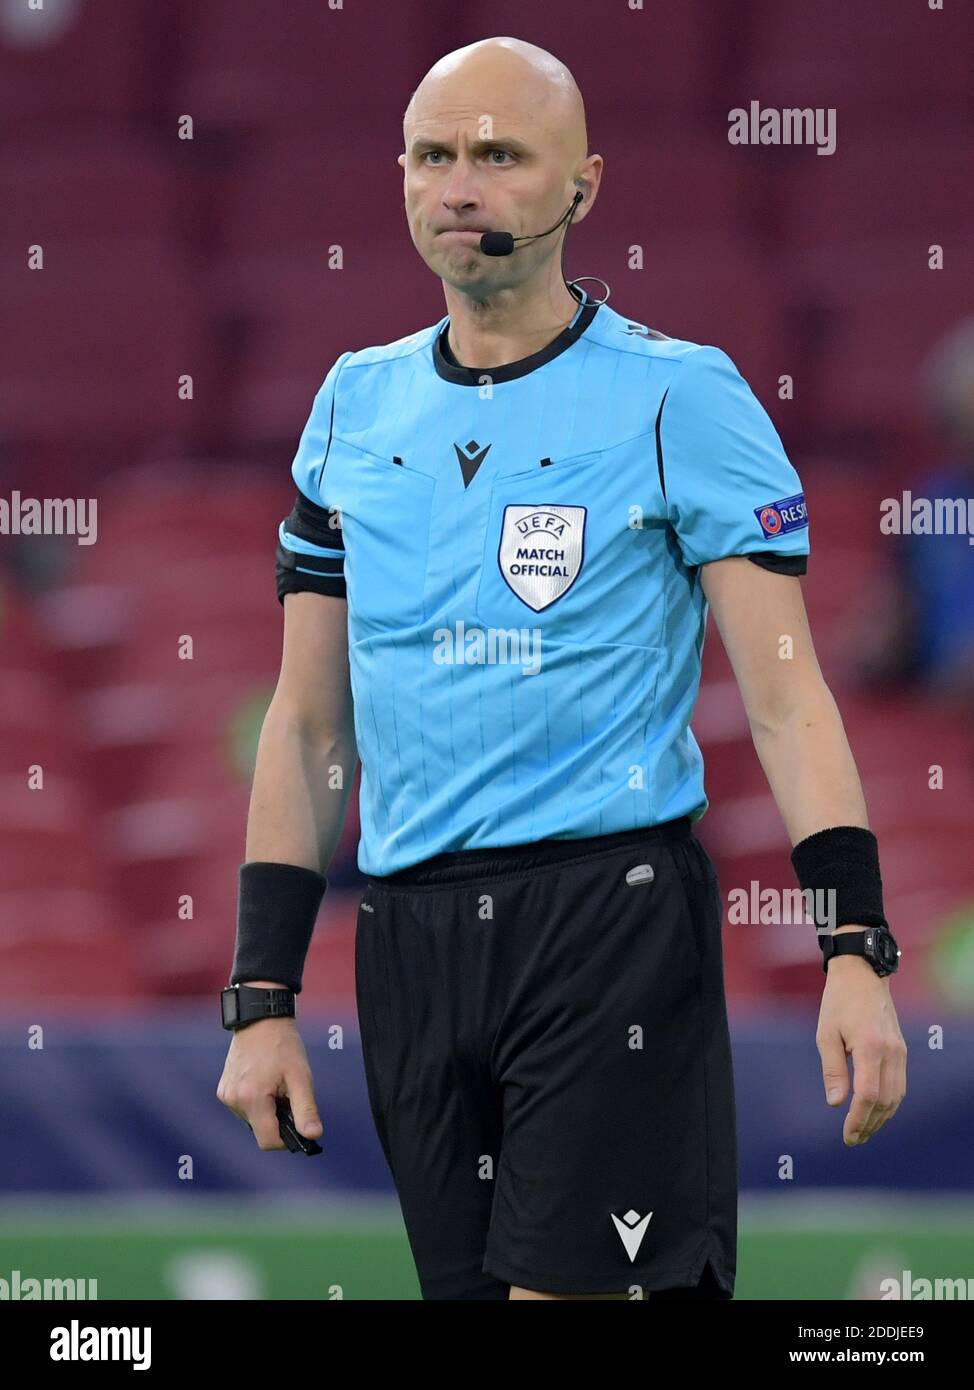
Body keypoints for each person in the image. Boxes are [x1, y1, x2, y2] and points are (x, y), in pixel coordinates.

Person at [217, 37, 907, 1301]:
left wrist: (850, 948)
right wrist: (261, 993)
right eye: (434, 156)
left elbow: (786, 696)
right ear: (401, 179)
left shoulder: (678, 397)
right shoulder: (349, 408)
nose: (461, 185)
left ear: (583, 188)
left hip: (607, 922)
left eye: (498, 155)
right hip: (408, 937)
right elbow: (311, 723)